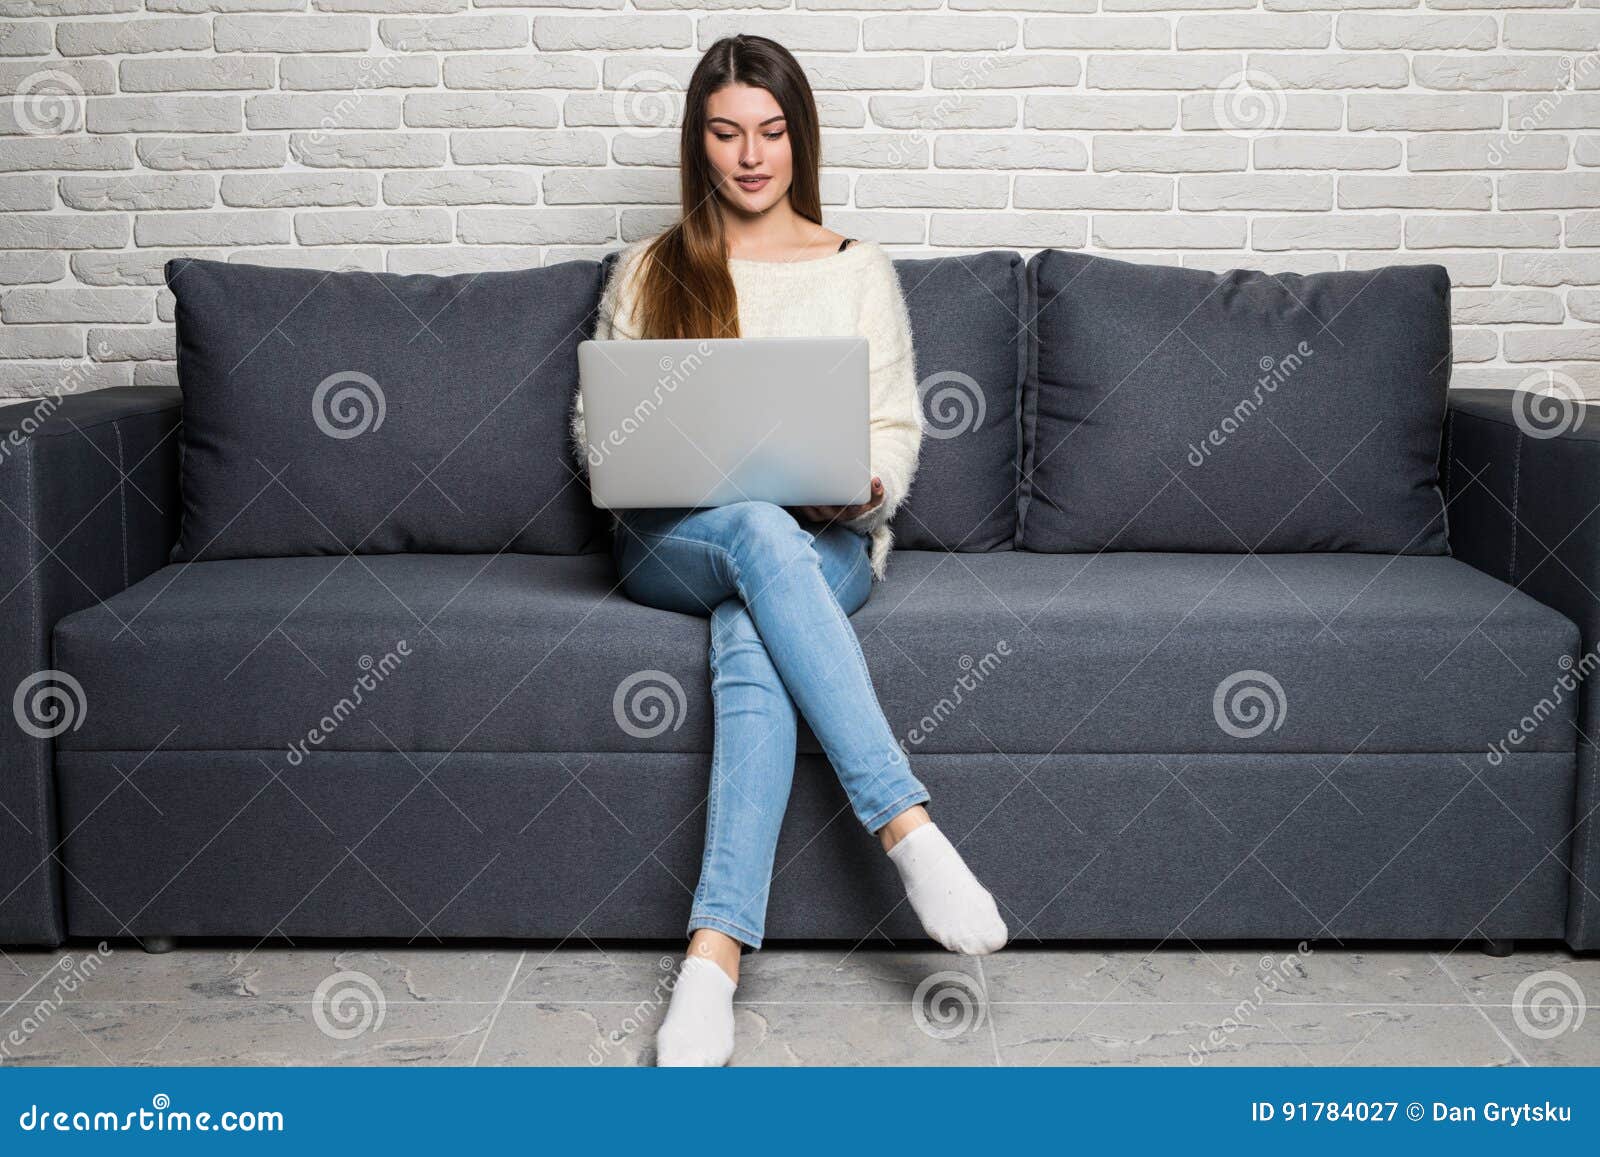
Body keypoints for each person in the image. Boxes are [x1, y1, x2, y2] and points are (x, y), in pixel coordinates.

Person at [569, 34, 1008, 1068]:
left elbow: (895, 430)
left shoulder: (856, 269)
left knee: (754, 615)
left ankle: (710, 963)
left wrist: (860, 483)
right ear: (699, 143)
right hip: (672, 538)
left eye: (769, 132)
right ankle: (907, 828)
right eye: (726, 132)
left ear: (798, 141)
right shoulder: (649, 268)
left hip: (828, 541)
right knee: (758, 527)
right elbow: (600, 437)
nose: (749, 155)